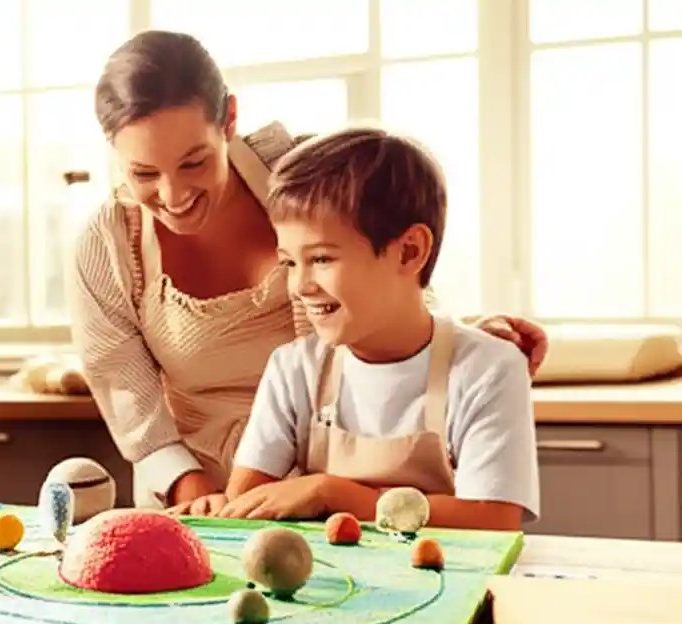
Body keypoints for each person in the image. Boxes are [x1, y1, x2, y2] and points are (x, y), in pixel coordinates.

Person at [69, 29, 548, 512]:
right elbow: (131, 404)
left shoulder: (307, 179)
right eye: (144, 173)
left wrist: (460, 348)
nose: (172, 196)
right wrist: (207, 503)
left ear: (229, 120)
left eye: (194, 162)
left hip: (349, 494)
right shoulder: (109, 243)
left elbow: (388, 274)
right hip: (206, 491)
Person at [196, 125, 540, 530]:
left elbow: (493, 520)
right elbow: (247, 501)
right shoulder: (294, 370)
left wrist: (333, 493)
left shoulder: (488, 368)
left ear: (410, 251)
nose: (299, 286)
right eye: (289, 262)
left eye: (322, 259)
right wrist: (219, 511)